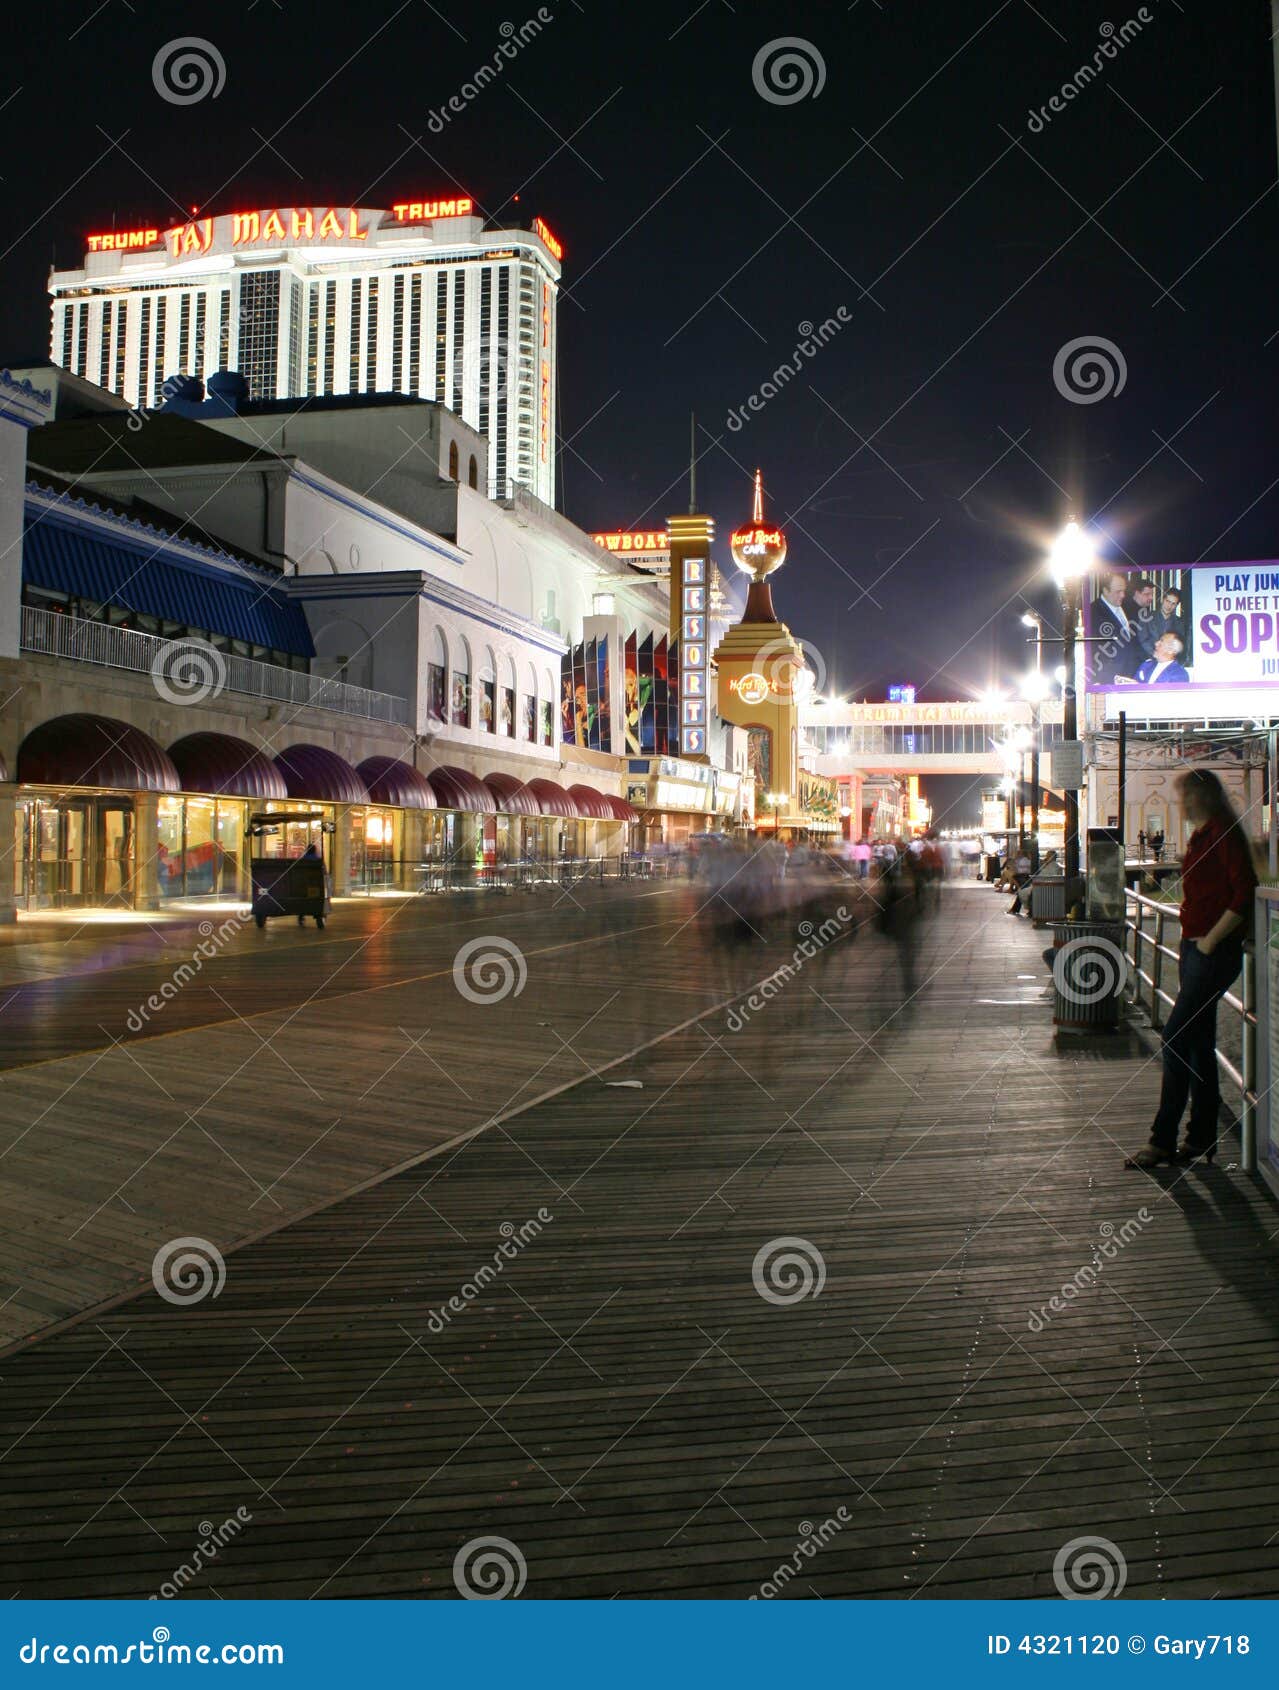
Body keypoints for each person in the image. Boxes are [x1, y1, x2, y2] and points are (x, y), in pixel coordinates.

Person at [1125, 771, 1257, 1170]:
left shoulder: (1223, 833)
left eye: (1183, 794)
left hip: (1210, 953)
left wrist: (1213, 939)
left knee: (1175, 1038)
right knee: (1198, 1045)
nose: (1178, 802)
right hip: (1196, 949)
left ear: (1200, 795)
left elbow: (1245, 890)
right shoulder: (1203, 834)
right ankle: (1200, 1139)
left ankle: (1162, 1140)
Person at [1092, 573, 1140, 682]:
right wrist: (1109, 678)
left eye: (1124, 591)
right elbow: (1094, 652)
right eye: (1118, 591)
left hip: (1132, 676)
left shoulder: (1129, 608)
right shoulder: (1093, 612)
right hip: (1110, 679)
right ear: (1105, 590)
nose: (1123, 595)